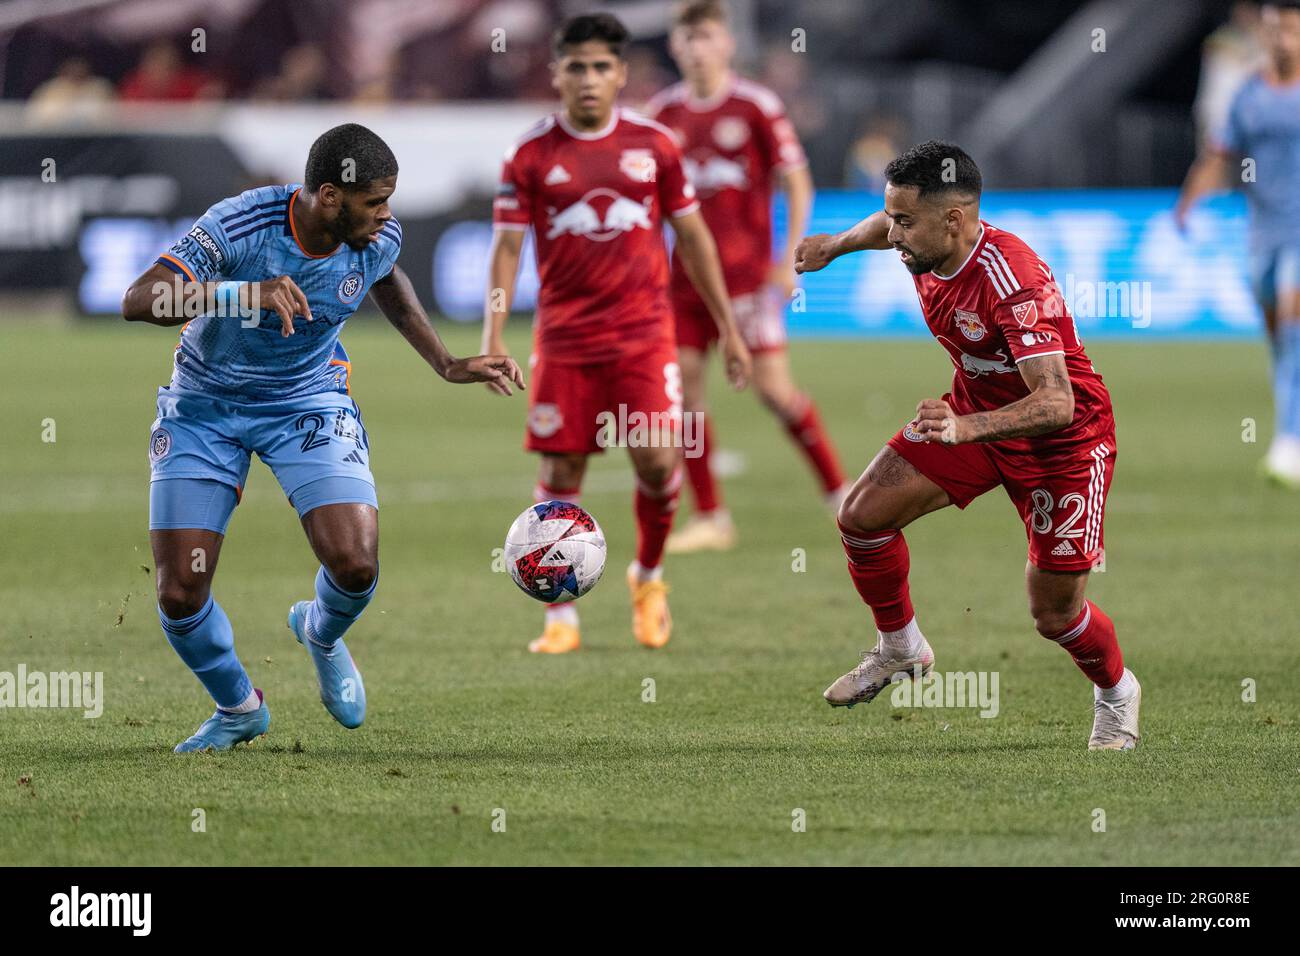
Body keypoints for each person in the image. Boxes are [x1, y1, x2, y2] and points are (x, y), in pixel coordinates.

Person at [121, 123, 523, 751]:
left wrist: (445, 361)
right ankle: (238, 707)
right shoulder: (239, 225)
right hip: (204, 406)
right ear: (330, 196)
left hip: (306, 402)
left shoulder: (376, 234)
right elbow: (139, 299)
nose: (387, 214)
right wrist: (238, 294)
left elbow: (387, 278)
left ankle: (320, 630)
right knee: (179, 592)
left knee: (356, 563)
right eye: (375, 201)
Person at [795, 140, 1141, 751]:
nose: (895, 235)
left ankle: (1117, 692)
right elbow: (882, 224)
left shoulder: (1013, 280)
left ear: (953, 220)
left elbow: (1056, 402)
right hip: (978, 413)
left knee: (1054, 615)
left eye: (906, 222)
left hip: (1063, 444)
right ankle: (900, 650)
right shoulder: (924, 243)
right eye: (893, 217)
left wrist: (962, 428)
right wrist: (834, 246)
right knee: (862, 518)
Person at [483, 12, 751, 654]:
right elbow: (505, 252)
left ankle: (648, 577)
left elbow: (694, 240)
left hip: (644, 335)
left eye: (602, 67)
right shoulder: (529, 154)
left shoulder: (655, 147)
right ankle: (560, 614)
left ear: (621, 75)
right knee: (562, 467)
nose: (589, 79)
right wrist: (494, 332)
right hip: (566, 341)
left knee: (659, 461)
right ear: (556, 74)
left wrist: (729, 328)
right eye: (576, 67)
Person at [646, 0, 846, 554]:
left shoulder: (755, 106)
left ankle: (839, 494)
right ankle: (711, 516)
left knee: (774, 391)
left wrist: (788, 259)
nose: (695, 46)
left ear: (727, 42)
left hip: (747, 280)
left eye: (706, 35)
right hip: (683, 284)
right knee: (684, 391)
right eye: (685, 37)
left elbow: (797, 181)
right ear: (673, 45)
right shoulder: (662, 114)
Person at [1176, 1, 1300, 487]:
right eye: (1275, 28)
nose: (1282, 37)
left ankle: (1289, 441)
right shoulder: (1250, 93)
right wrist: (1189, 200)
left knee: (1294, 323)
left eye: (1291, 27)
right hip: (1263, 233)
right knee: (1277, 333)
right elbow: (1220, 153)